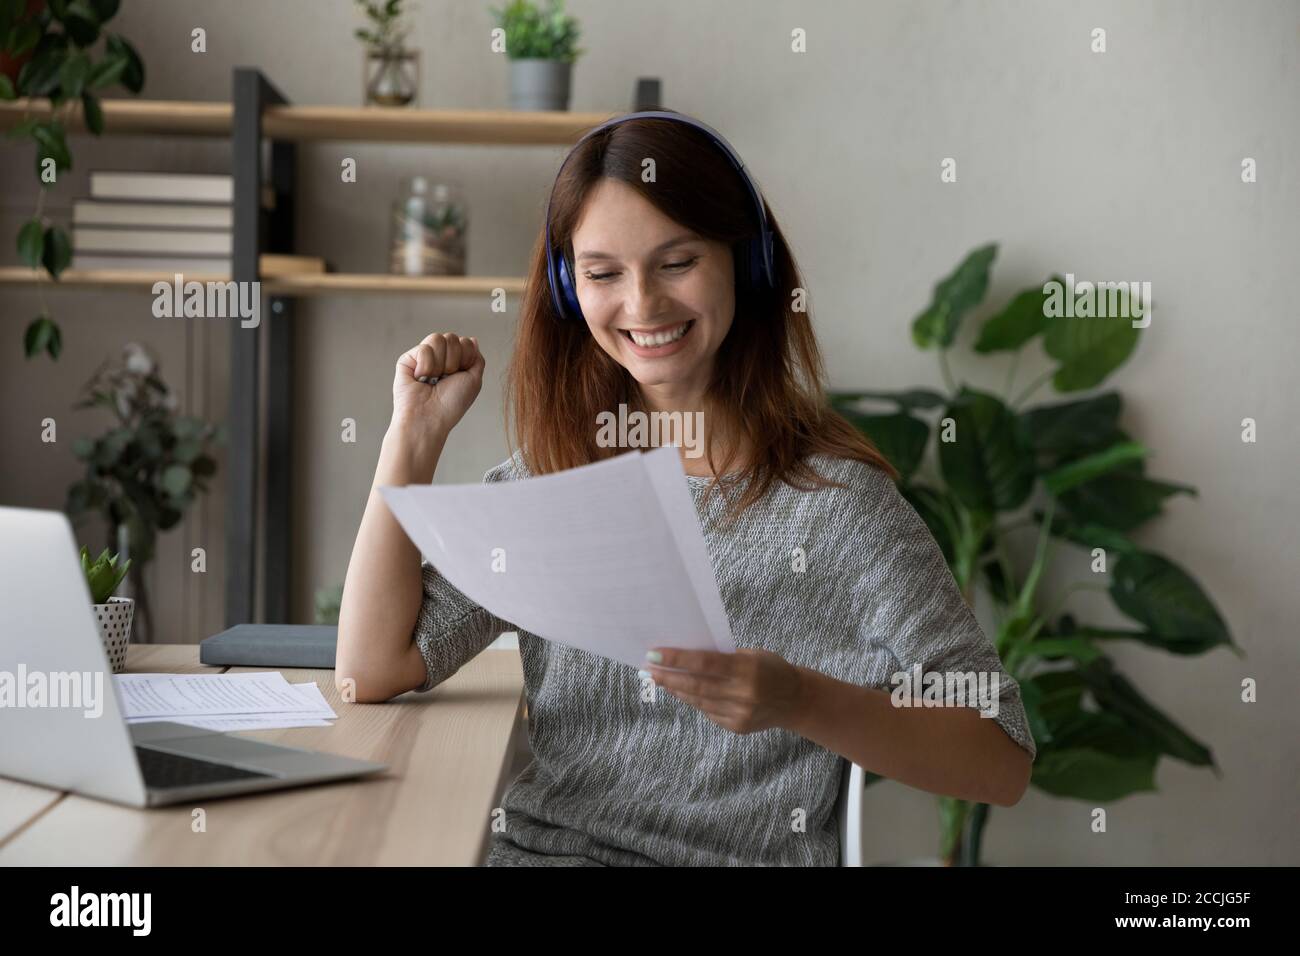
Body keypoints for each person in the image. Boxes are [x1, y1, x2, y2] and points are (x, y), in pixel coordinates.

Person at [336, 112, 1036, 866]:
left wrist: (799, 699)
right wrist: (412, 438)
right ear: (571, 292)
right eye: (603, 274)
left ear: (749, 263)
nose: (642, 306)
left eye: (677, 262)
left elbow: (1000, 758)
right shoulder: (558, 475)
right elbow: (372, 669)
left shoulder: (838, 507)